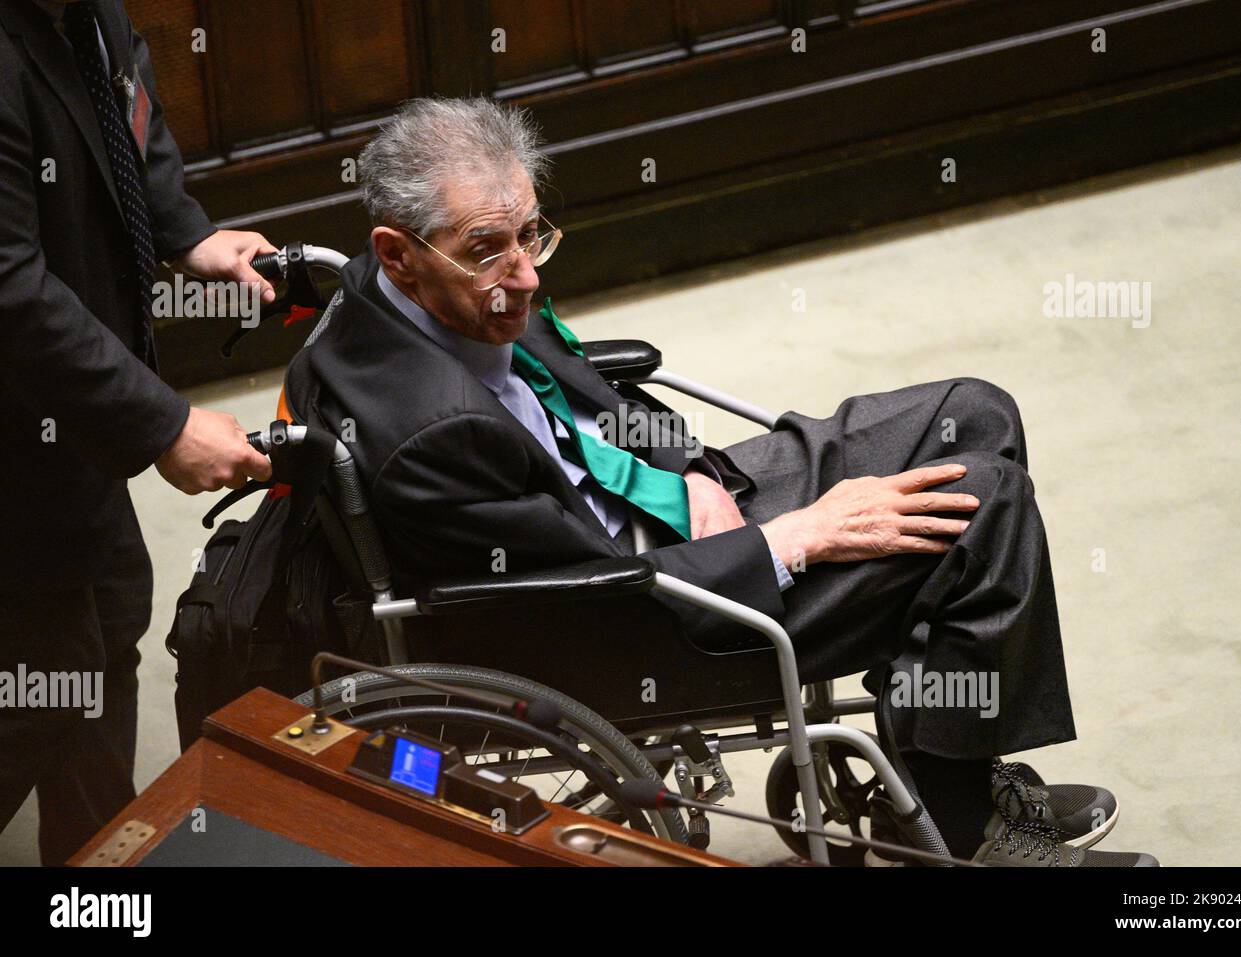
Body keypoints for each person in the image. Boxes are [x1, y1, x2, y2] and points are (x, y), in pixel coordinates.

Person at [302, 96, 1158, 866]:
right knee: (985, 508)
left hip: (654, 514)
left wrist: (691, 473)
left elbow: (588, 399)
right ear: (397, 251)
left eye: (533, 233)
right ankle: (965, 832)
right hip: (659, 615)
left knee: (974, 412)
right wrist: (792, 538)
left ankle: (934, 760)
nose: (527, 272)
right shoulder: (431, 429)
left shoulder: (428, 287)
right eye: (491, 248)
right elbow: (587, 595)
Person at [0, 0, 273, 864]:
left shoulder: (86, 12)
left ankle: (93, 879)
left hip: (71, 436)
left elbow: (123, 115)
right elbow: (9, 290)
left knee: (107, 626)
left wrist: (192, 238)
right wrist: (165, 423)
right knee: (43, 686)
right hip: (14, 446)